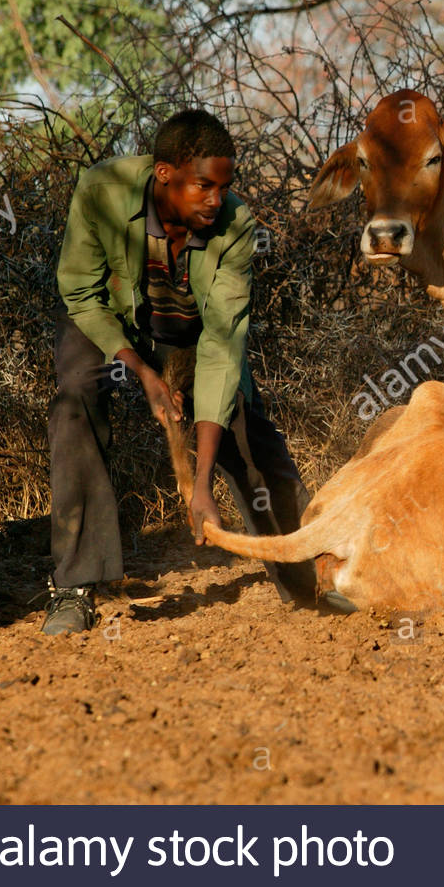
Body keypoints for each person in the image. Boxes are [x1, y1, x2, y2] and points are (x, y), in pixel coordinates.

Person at [44, 109, 318, 634]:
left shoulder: (234, 226)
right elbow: (81, 293)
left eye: (225, 187)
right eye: (203, 187)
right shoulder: (102, 190)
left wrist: (202, 484)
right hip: (107, 320)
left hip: (191, 331)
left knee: (243, 424)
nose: (218, 201)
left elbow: (220, 346)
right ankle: (75, 586)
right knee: (76, 397)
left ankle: (308, 574)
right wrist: (142, 373)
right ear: (164, 174)